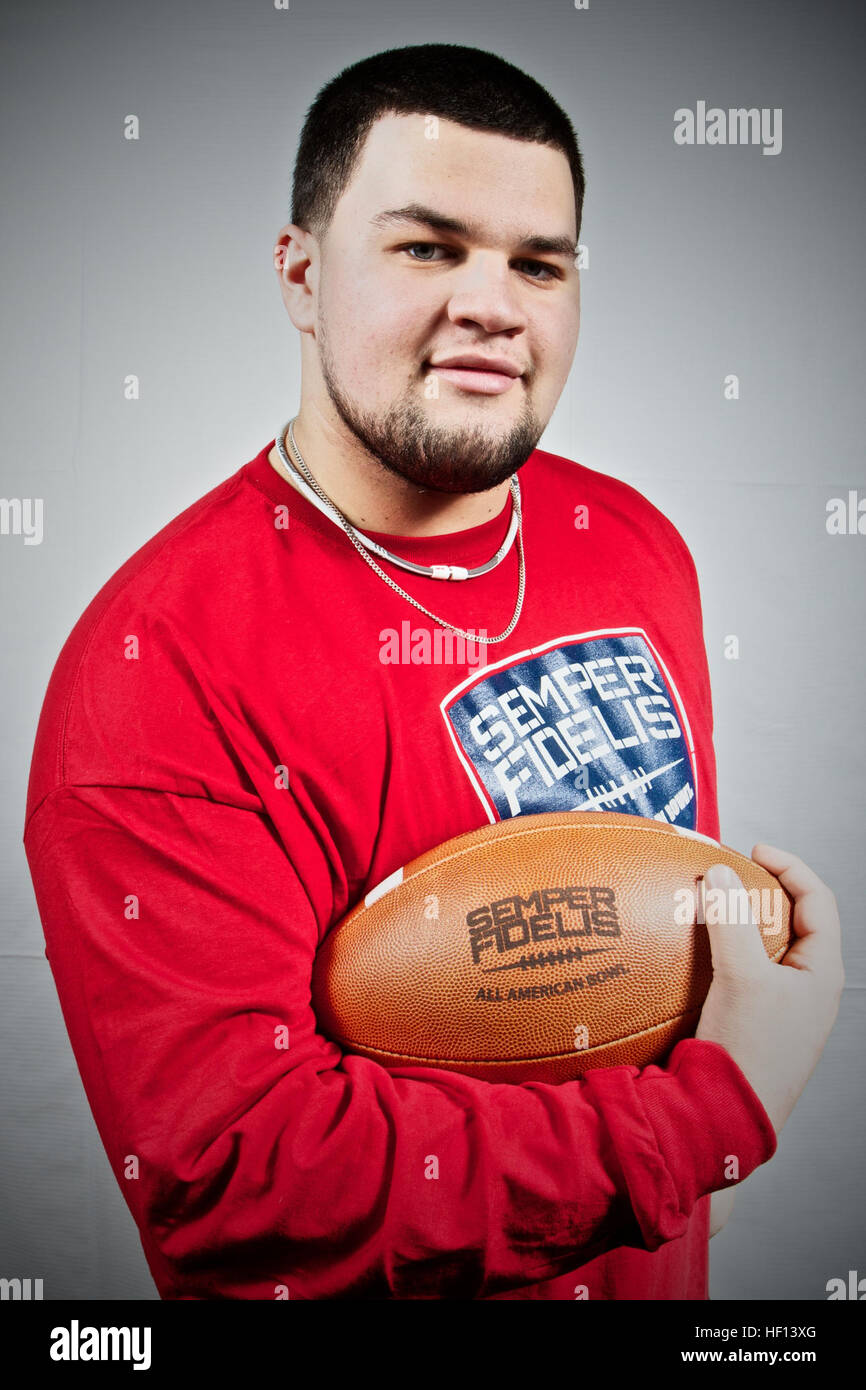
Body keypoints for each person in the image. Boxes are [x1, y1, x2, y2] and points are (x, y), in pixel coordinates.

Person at [23, 43, 843, 1300]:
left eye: (537, 263)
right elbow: (242, 1183)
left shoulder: (632, 545)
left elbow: (638, 944)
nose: (493, 305)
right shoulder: (154, 665)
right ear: (299, 274)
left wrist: (733, 995)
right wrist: (710, 1117)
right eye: (427, 248)